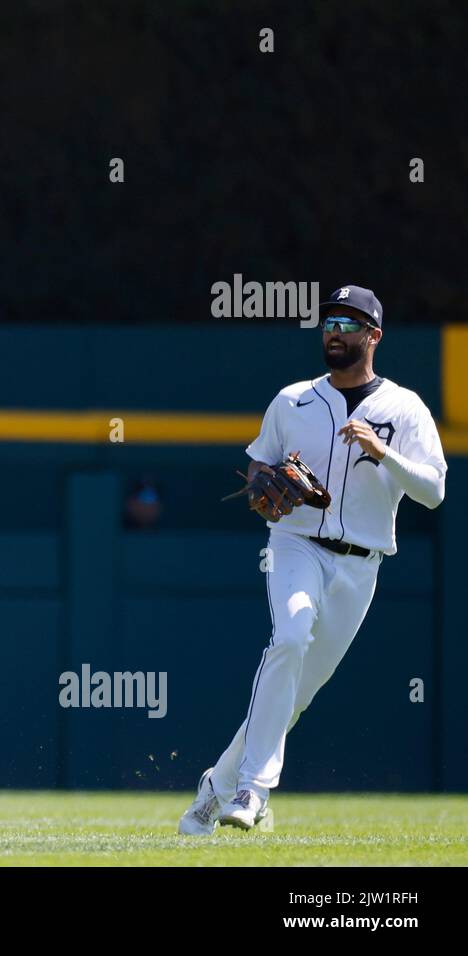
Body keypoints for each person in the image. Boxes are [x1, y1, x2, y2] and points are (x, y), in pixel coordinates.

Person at [179, 285, 447, 834]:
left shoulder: (405, 407)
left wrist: (382, 451)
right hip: (296, 544)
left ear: (373, 336)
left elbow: (435, 491)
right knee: (290, 638)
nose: (334, 332)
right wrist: (262, 488)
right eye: (328, 322)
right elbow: (259, 467)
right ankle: (252, 791)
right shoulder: (292, 400)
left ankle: (215, 786)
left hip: (361, 565)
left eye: (348, 324)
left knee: (296, 697)